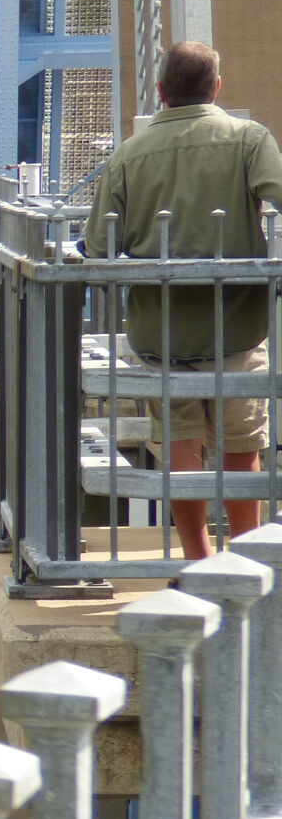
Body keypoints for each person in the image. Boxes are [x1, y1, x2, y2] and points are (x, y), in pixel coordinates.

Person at [85, 41, 282, 558]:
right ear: (216, 86)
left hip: (161, 332)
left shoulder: (129, 153)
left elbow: (99, 245)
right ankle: (246, 559)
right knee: (240, 446)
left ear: (161, 91)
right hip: (236, 327)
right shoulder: (248, 139)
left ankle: (197, 559)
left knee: (179, 447)